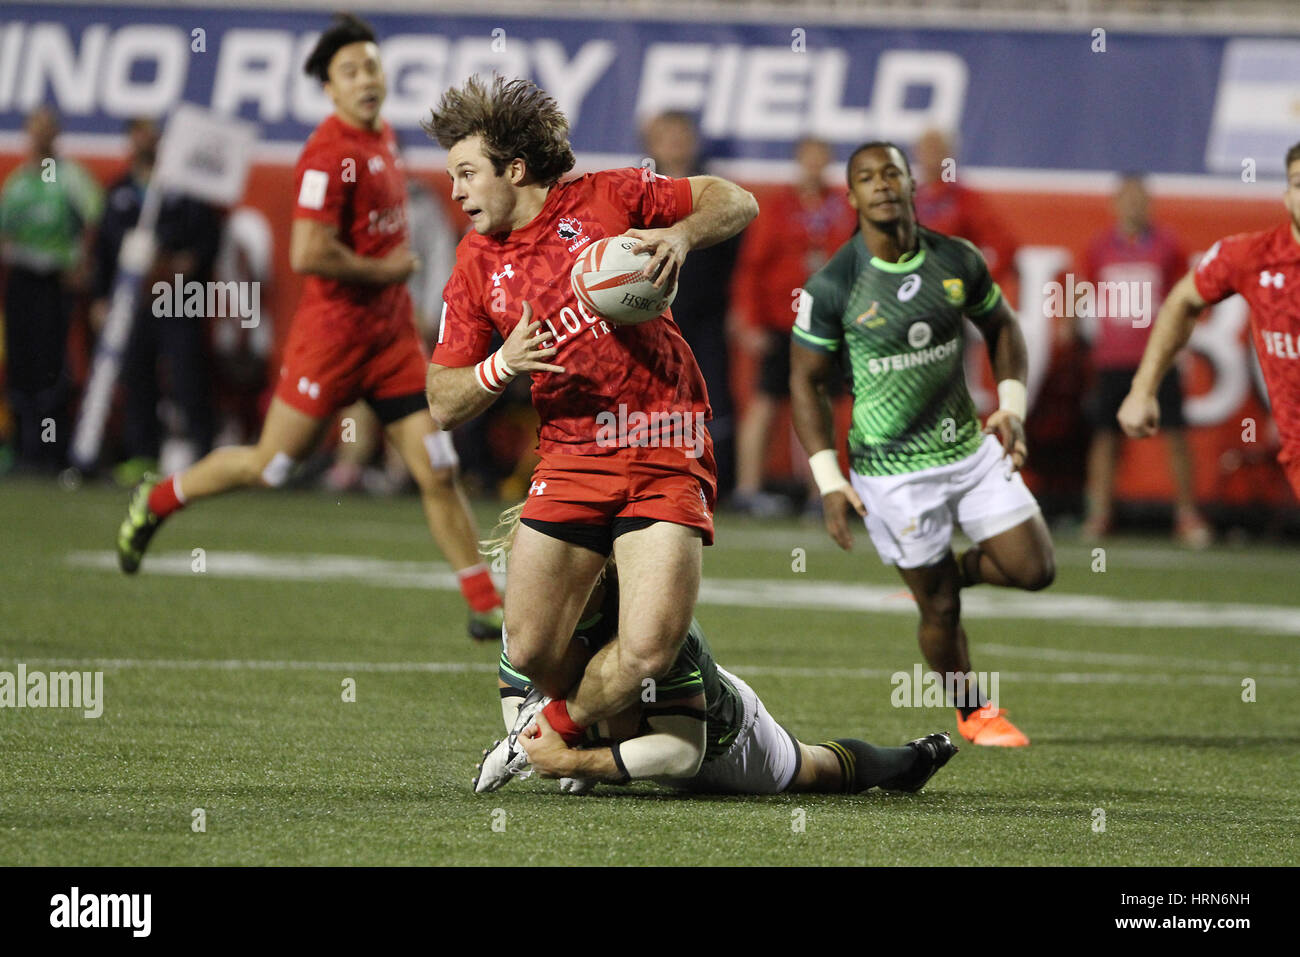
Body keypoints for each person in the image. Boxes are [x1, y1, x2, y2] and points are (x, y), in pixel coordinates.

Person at [114, 13, 504, 641]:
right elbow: (307, 253)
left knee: (436, 467)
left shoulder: (384, 135)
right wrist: (386, 270)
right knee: (272, 466)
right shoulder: (328, 154)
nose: (366, 79)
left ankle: (483, 602)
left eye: (371, 65)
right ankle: (160, 498)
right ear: (329, 88)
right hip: (331, 341)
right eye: (350, 71)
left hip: (390, 342)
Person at [423, 75, 757, 786]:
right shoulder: (475, 264)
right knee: (534, 647)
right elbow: (442, 401)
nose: (454, 190)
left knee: (647, 650)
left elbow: (737, 198)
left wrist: (679, 232)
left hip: (667, 439)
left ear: (515, 169)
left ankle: (550, 738)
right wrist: (500, 365)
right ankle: (604, 720)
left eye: (465, 172)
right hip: (572, 452)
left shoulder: (609, 195)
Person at [790, 142, 1055, 748]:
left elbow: (1003, 328)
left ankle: (942, 574)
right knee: (939, 611)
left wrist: (1010, 409)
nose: (881, 184)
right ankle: (975, 711)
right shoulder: (834, 285)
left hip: (969, 448)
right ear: (851, 196)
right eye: (866, 177)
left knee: (1034, 570)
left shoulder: (956, 259)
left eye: (891, 173)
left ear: (912, 184)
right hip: (891, 473)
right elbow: (805, 382)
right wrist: (831, 482)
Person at [474, 511, 956, 797]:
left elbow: (683, 752)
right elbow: (522, 703)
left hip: (721, 741)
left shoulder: (649, 627)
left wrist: (574, 762)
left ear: (602, 569)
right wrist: (553, 739)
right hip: (637, 734)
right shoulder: (531, 618)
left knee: (813, 770)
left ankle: (908, 760)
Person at [1119, 141, 1300, 502]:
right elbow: (1183, 301)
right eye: (1299, 183)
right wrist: (1142, 389)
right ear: (1286, 196)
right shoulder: (1252, 257)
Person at [1080, 175, 1210, 546]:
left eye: (1140, 199)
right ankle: (1100, 512)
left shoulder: (1167, 245)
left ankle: (1186, 514)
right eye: (1128, 199)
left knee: (1174, 434)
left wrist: (1178, 345)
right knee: (1105, 436)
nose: (1134, 206)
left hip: (1158, 358)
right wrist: (1072, 329)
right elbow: (1084, 289)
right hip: (1113, 358)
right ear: (1115, 203)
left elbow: (1185, 297)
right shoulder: (1100, 246)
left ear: (1149, 204)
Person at [93, 117, 224, 484]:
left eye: (151, 132)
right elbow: (103, 250)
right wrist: (101, 298)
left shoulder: (182, 190)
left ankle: (202, 449)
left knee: (187, 373)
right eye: (138, 132)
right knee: (137, 375)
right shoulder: (118, 192)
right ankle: (141, 452)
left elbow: (206, 240)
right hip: (132, 298)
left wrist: (187, 264)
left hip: (178, 296)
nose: (145, 140)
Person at [731, 137, 857, 516]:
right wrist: (748, 320)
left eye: (822, 159)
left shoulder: (844, 207)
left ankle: (823, 493)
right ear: (799, 162)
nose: (816, 167)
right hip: (781, 321)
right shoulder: (778, 207)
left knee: (827, 405)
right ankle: (747, 488)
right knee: (766, 402)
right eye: (809, 159)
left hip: (829, 322)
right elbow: (752, 266)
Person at [641, 111, 743, 498]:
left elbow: (738, 254)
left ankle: (720, 482)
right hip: (649, 314)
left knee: (712, 394)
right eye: (666, 135)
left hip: (708, 313)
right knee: (653, 397)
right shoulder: (636, 188)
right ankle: (654, 477)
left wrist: (739, 307)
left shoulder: (715, 191)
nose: (675, 143)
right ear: (651, 143)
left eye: (681, 135)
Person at [0, 106, 103, 471]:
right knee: (22, 366)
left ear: (56, 133)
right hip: (22, 284)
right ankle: (25, 449)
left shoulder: (68, 177)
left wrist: (82, 263)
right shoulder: (19, 182)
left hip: (54, 284)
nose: (39, 136)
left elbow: (98, 221)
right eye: (34, 129)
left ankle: (51, 449)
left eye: (46, 129)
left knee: (50, 367)